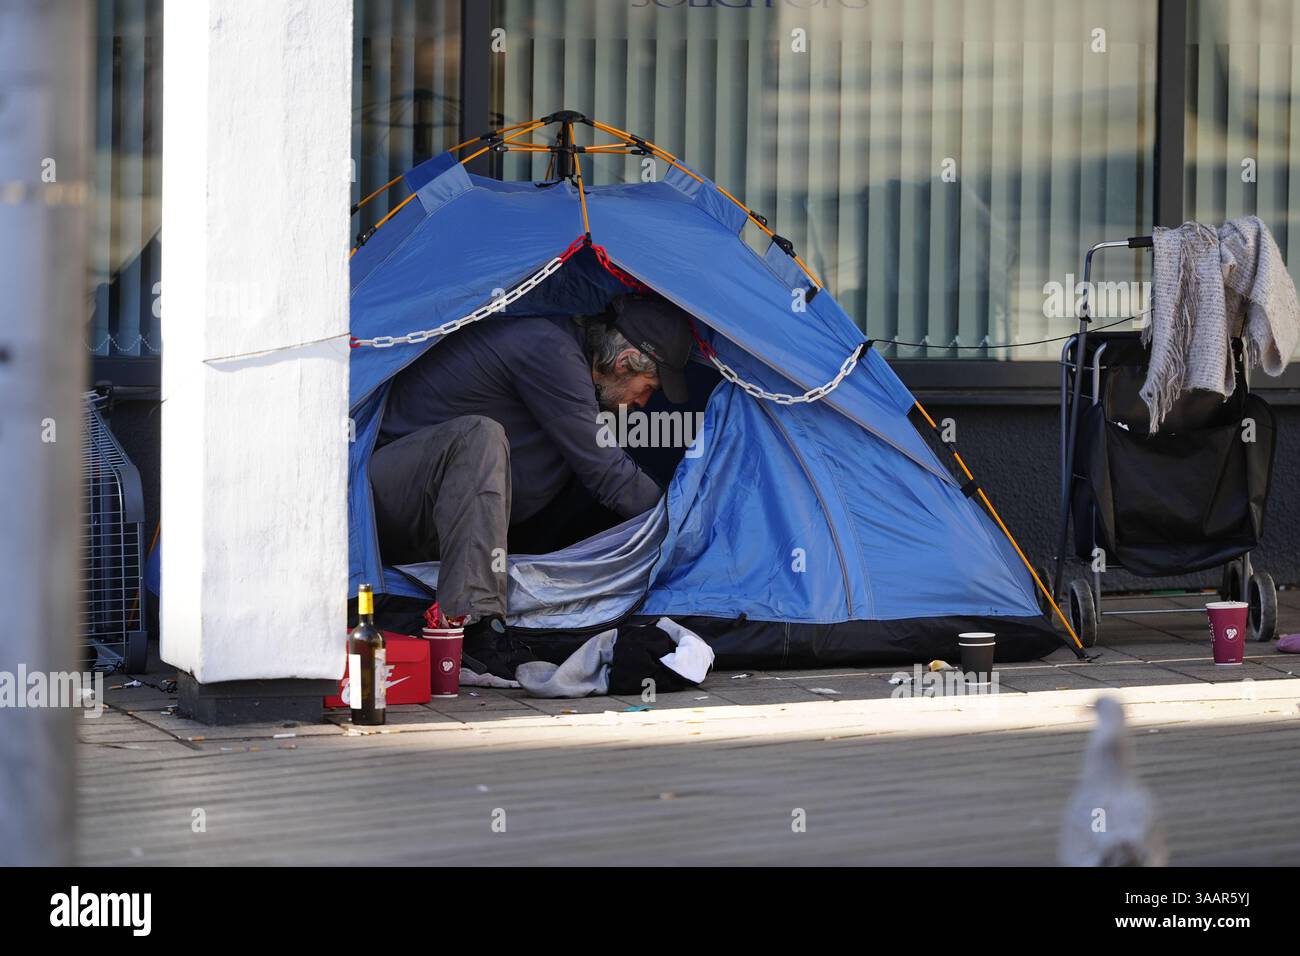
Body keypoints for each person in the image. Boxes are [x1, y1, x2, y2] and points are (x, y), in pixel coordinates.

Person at [369, 294, 695, 679]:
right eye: (649, 387)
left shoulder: (570, 363)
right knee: (481, 437)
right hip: (383, 499)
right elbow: (609, 474)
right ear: (624, 362)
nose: (644, 403)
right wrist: (685, 528)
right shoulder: (548, 349)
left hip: (434, 511)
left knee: (560, 467)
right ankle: (476, 629)